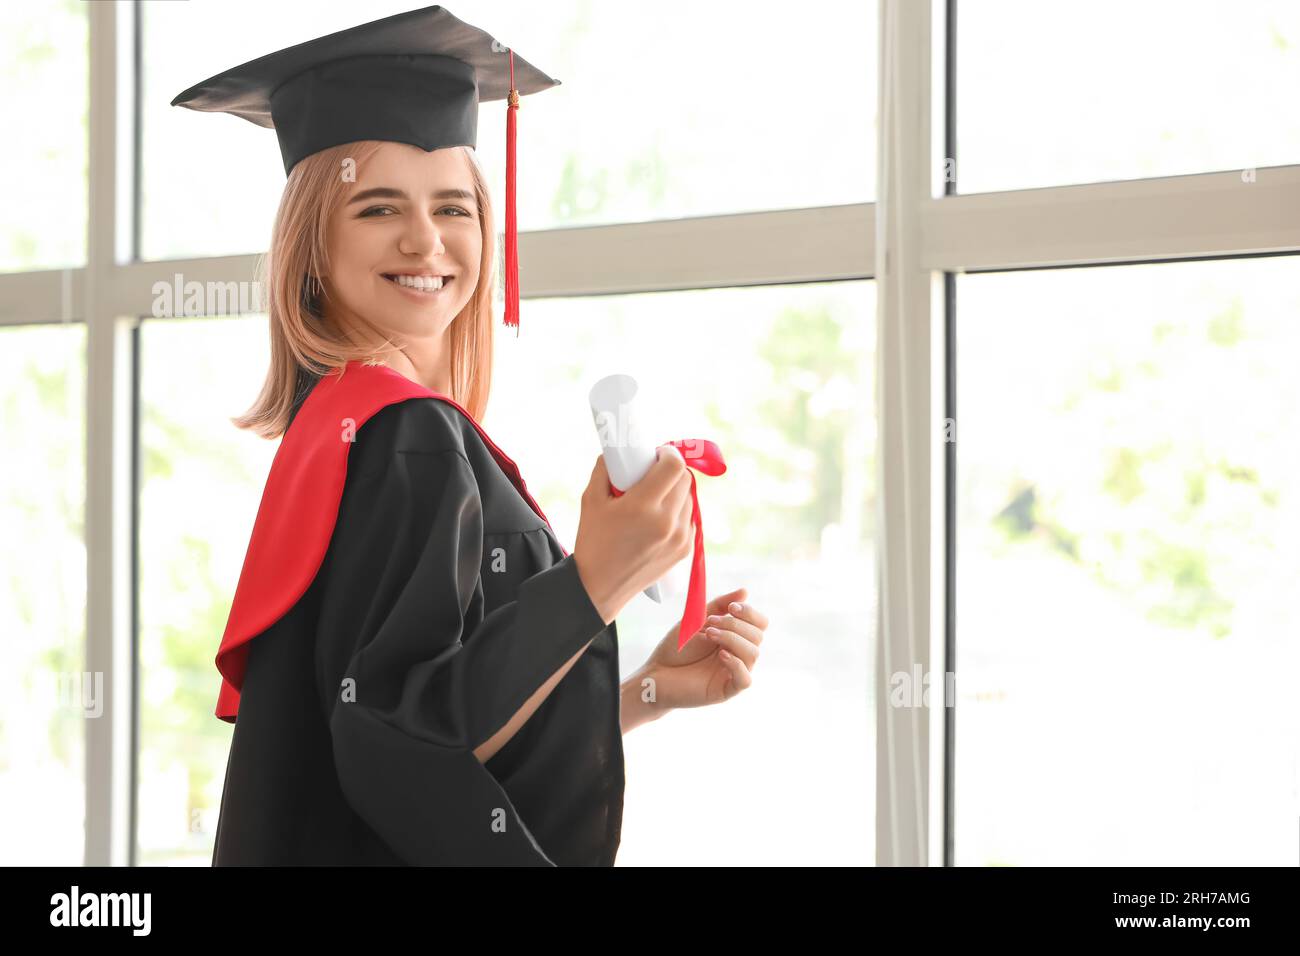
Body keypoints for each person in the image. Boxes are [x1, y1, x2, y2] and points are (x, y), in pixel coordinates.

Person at [173, 6, 770, 866]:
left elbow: (436, 724)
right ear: (311, 247)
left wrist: (645, 690)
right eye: (378, 208)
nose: (426, 239)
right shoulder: (404, 435)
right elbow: (398, 743)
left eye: (454, 206)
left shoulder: (346, 421)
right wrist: (593, 584)